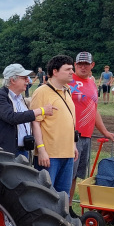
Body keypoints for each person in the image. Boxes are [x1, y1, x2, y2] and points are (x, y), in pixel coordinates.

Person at [69, 52, 114, 207]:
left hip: (86, 136)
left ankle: (69, 206)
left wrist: (105, 131)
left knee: (75, 176)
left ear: (92, 65)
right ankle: (61, 208)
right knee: (67, 175)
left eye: (86, 64)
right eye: (80, 64)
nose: (83, 67)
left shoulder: (91, 82)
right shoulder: (68, 81)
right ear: (75, 65)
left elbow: (93, 108)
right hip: (71, 136)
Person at [31, 54, 78, 197]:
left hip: (67, 153)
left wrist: (73, 145)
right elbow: (35, 122)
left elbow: (69, 121)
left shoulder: (68, 90)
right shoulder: (41, 92)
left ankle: (61, 220)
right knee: (46, 195)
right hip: (50, 155)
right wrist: (41, 150)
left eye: (72, 69)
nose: (72, 72)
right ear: (55, 71)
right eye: (68, 69)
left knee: (63, 195)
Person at [0, 64, 53, 158]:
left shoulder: (19, 97)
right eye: (24, 77)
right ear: (12, 80)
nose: (28, 80)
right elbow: (12, 117)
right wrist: (41, 110)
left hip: (22, 150)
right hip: (6, 152)